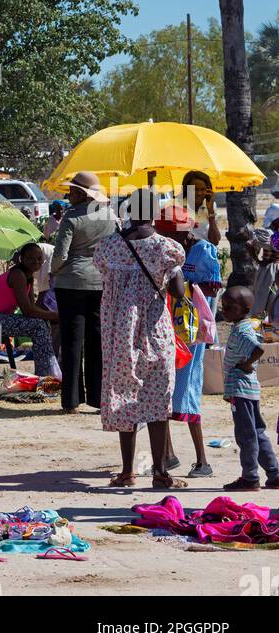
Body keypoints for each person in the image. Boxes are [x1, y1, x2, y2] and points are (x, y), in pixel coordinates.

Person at [93, 187, 186, 489]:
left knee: (125, 397)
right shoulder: (166, 248)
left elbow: (104, 276)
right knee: (158, 399)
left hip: (119, 332)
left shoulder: (108, 246)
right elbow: (178, 292)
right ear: (155, 212)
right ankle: (160, 472)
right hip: (155, 332)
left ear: (128, 212)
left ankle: (126, 472)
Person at [158, 207, 221, 478]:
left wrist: (185, 285)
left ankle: (202, 460)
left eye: (171, 234)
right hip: (167, 326)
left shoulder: (203, 250)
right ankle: (168, 454)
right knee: (162, 389)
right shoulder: (165, 251)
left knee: (186, 389)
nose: (167, 238)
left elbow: (213, 288)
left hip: (191, 332)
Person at [51, 170, 117, 413]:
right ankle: (99, 400)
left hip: (71, 283)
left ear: (81, 193)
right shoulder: (110, 215)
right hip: (101, 282)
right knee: (98, 342)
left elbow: (60, 254)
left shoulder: (72, 217)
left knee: (71, 342)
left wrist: (54, 271)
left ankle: (71, 401)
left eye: (71, 191)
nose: (68, 195)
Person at [0, 242, 60, 377]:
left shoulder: (27, 277)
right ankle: (46, 374)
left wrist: (49, 316)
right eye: (31, 258)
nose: (36, 262)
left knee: (41, 323)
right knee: (39, 325)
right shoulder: (18, 275)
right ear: (22, 258)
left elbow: (31, 308)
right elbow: (28, 311)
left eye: (39, 258)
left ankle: (47, 373)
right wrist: (55, 315)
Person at [221, 285, 279, 492]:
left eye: (229, 307)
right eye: (224, 306)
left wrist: (246, 364)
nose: (224, 310)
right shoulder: (245, 327)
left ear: (245, 309)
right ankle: (274, 474)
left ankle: (250, 477)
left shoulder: (241, 330)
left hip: (241, 390)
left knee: (246, 435)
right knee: (257, 432)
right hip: (249, 389)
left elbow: (259, 349)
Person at [178, 171, 221, 246]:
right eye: (195, 189)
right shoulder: (178, 206)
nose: (199, 193)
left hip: (206, 255)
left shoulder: (211, 206)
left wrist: (211, 211)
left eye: (202, 189)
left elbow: (215, 241)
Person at [247, 227, 279, 321]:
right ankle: (261, 324)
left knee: (265, 298)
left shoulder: (268, 234)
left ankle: (262, 323)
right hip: (270, 272)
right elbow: (249, 244)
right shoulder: (272, 235)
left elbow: (249, 244)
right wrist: (258, 260)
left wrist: (257, 260)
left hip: (266, 271)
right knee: (267, 298)